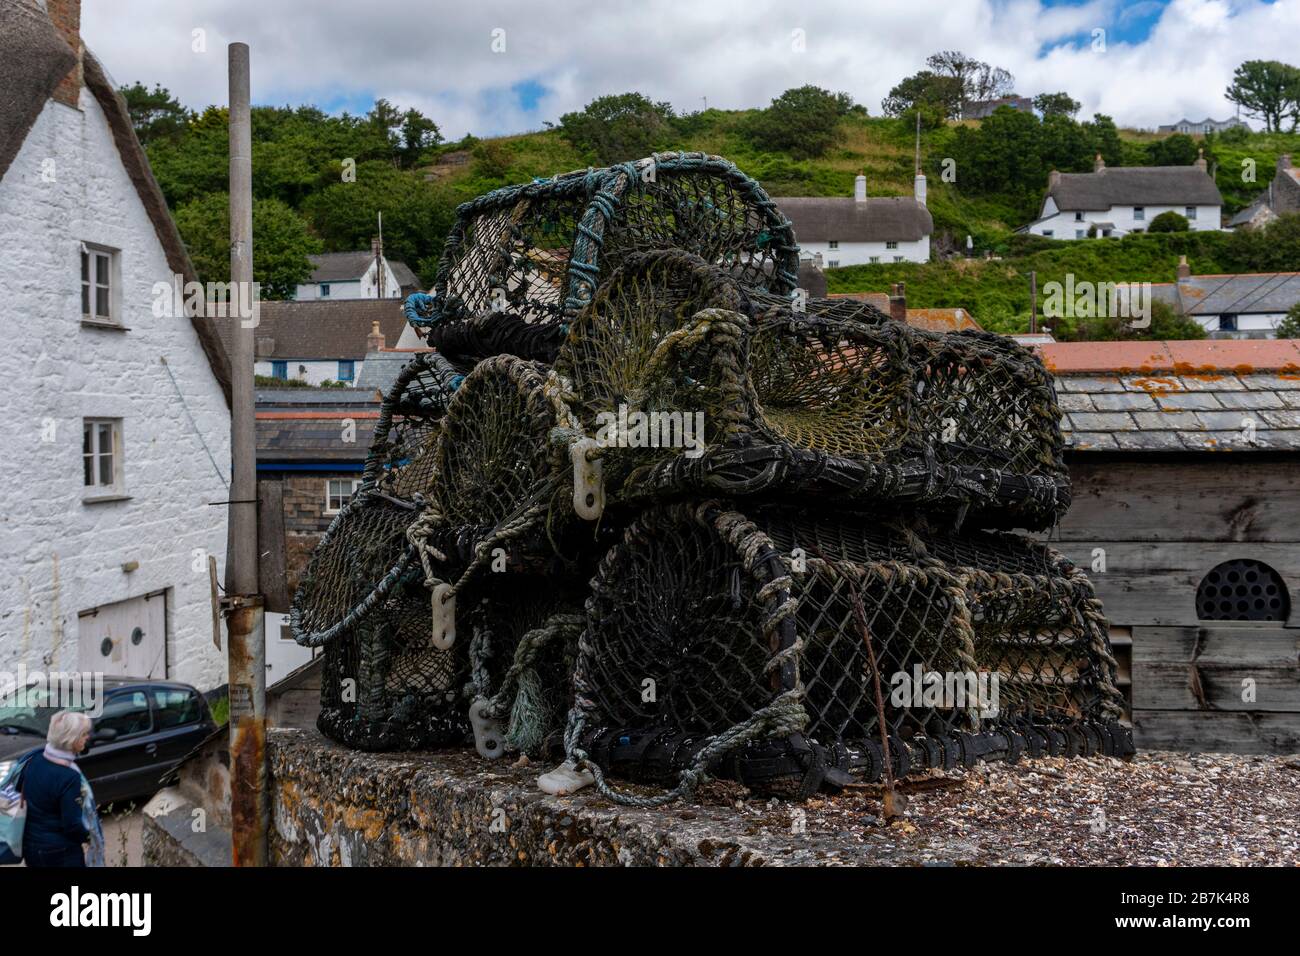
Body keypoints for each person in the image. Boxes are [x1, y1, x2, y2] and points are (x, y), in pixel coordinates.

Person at [20, 710, 104, 868]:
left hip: (32, 846)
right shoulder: (69, 777)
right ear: (71, 738)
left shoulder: (35, 759)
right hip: (59, 853)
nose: (88, 737)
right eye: (84, 734)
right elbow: (71, 826)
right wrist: (90, 835)